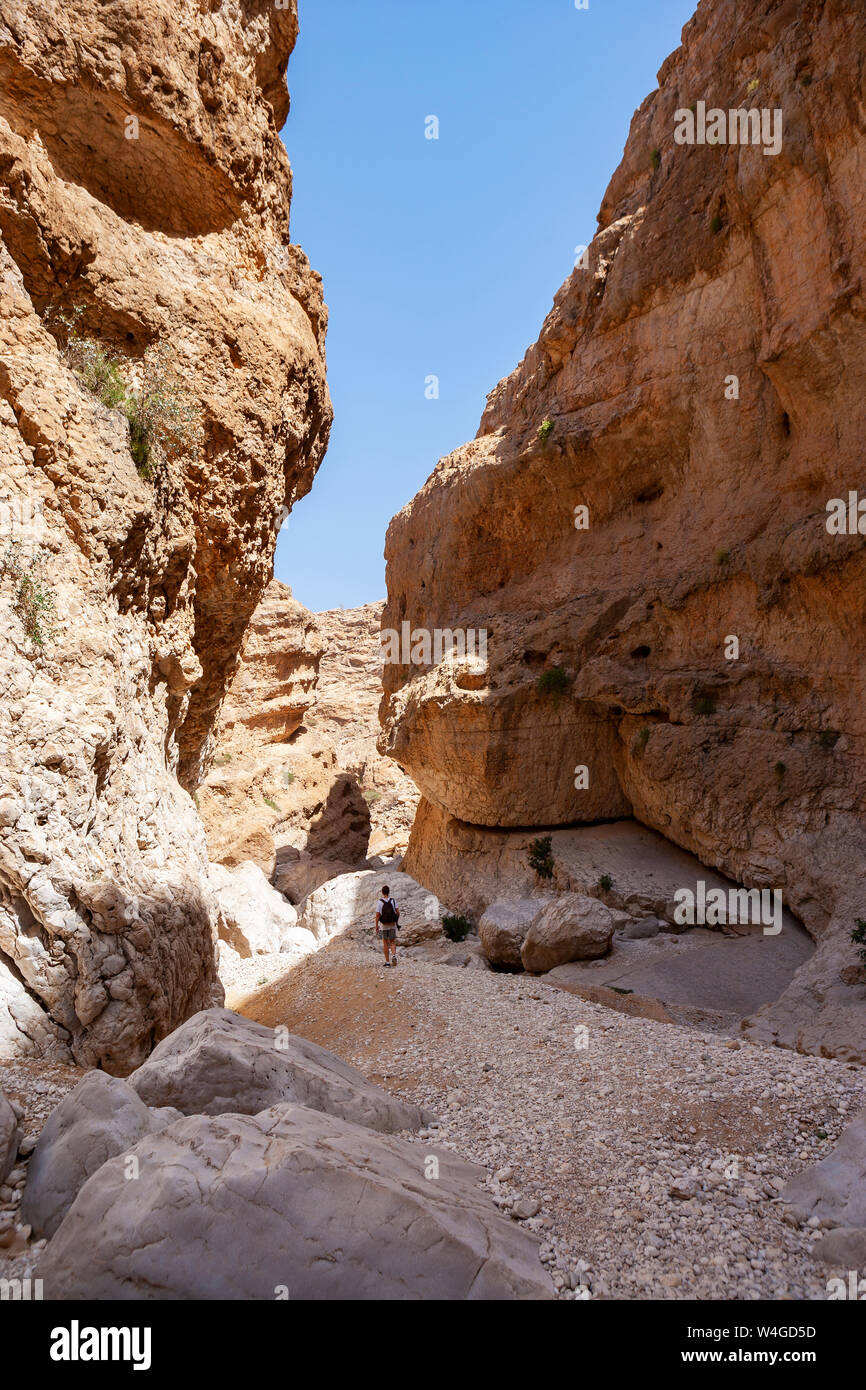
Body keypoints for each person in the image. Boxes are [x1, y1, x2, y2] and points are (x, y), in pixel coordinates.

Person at [375, 886, 400, 967]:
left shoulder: (379, 902)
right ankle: (394, 956)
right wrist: (396, 921)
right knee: (392, 941)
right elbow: (398, 912)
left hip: (384, 925)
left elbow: (378, 915)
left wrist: (376, 926)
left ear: (382, 892)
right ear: (389, 892)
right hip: (392, 924)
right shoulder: (393, 900)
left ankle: (387, 962)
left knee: (385, 943)